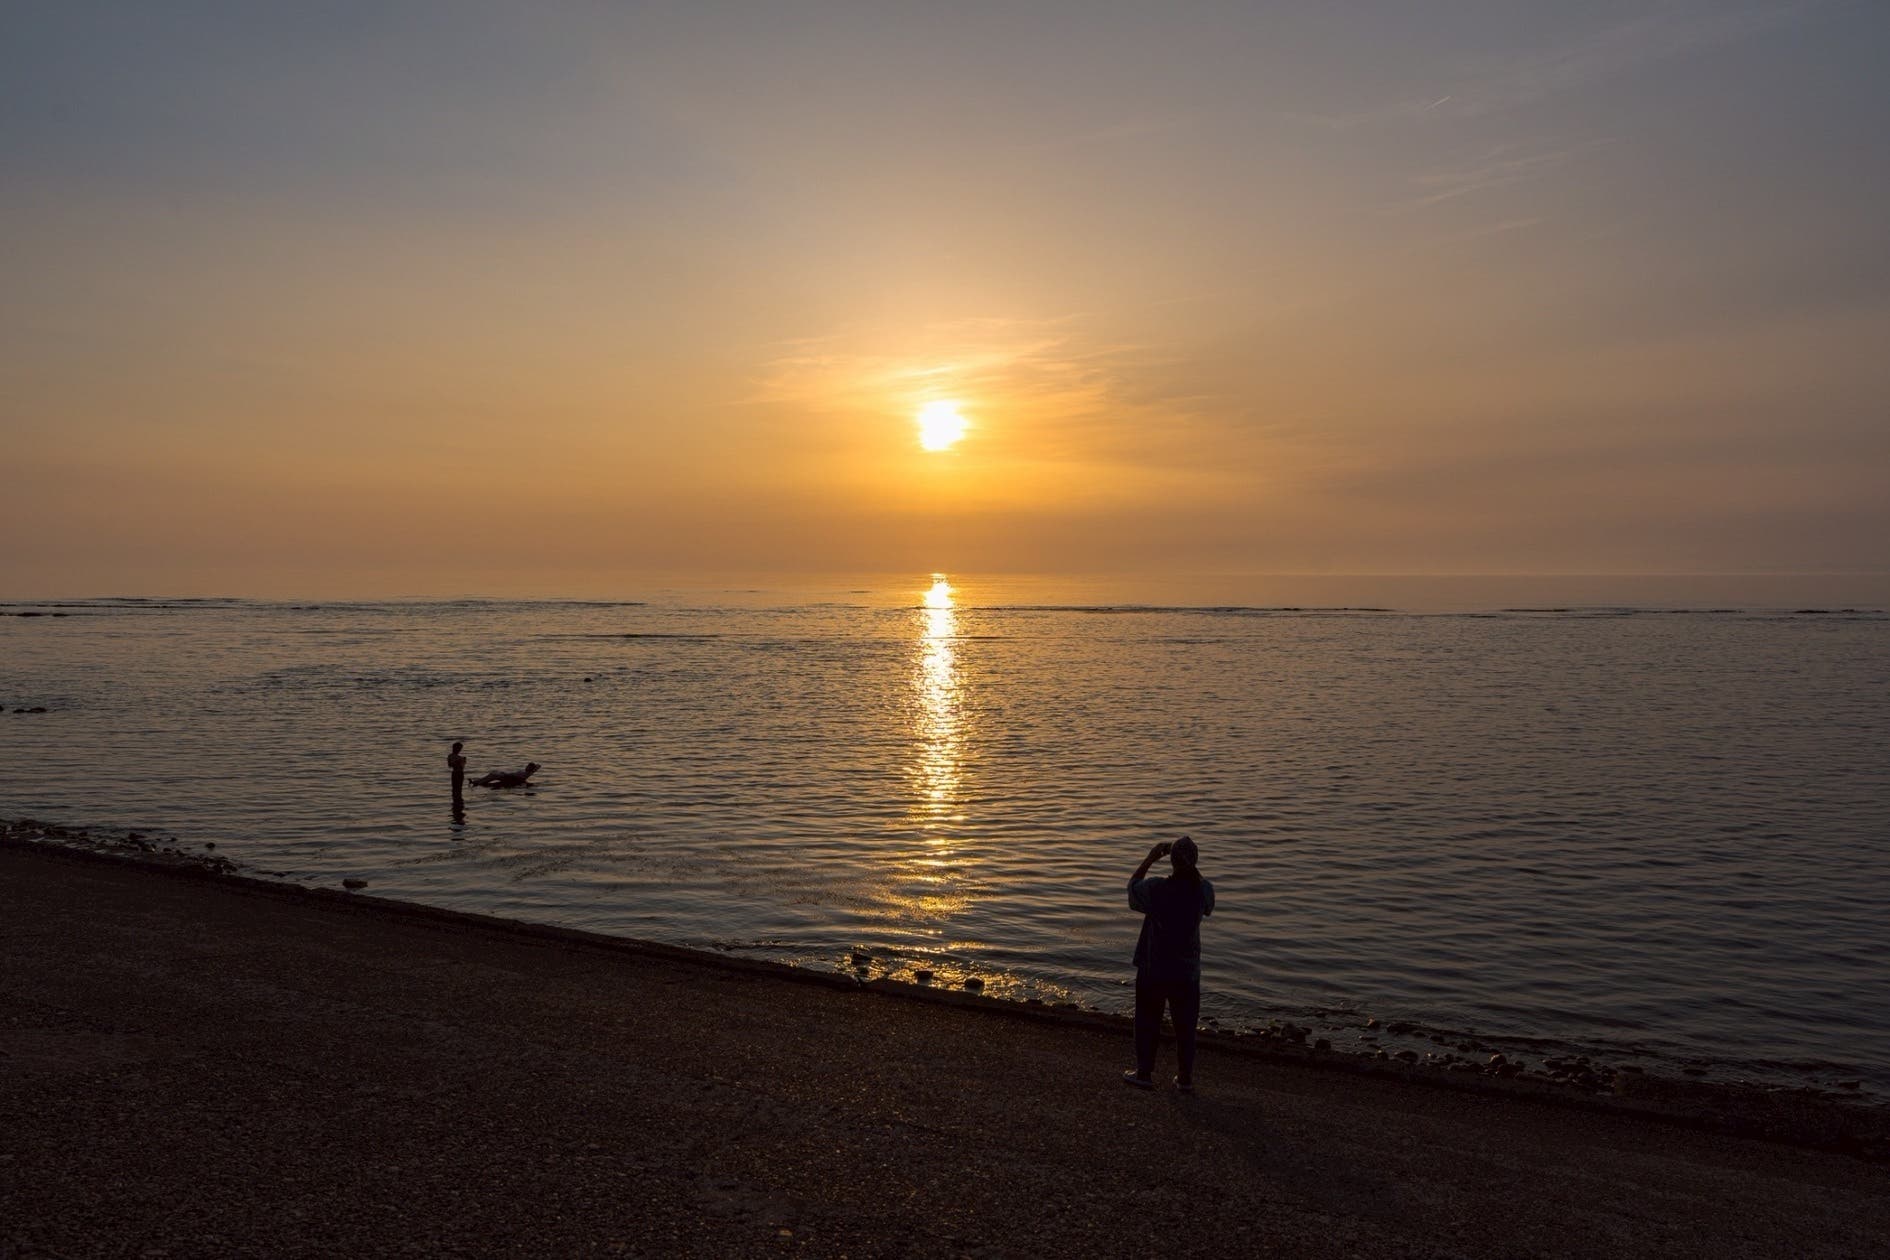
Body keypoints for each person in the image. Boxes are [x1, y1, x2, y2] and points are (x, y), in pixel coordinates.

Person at [1122, 835, 1215, 1092]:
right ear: (1195, 862)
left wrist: (1151, 857)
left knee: (1147, 1019)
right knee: (1185, 1025)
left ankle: (1144, 1072)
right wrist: (1188, 864)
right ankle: (1184, 1078)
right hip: (1186, 971)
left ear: (1172, 862)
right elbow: (1208, 904)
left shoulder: (1155, 889)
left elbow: (1132, 889)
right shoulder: (1202, 891)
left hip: (1155, 966)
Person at [472, 761, 540, 789]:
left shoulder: (526, 773)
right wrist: (533, 769)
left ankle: (478, 782)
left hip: (507, 777)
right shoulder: (527, 772)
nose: (526, 767)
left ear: (531, 768)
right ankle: (479, 781)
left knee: (493, 775)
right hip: (507, 775)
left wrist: (506, 775)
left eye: (528, 767)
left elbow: (517, 777)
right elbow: (538, 765)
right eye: (527, 766)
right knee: (492, 774)